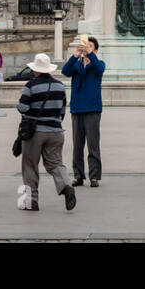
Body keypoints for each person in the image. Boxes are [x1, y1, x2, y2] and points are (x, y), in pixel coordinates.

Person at [16, 53, 76, 212]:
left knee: (30, 165)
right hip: (56, 131)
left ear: (35, 70)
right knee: (55, 164)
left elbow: (22, 107)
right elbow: (62, 110)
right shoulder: (60, 86)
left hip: (35, 132)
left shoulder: (30, 85)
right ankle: (66, 186)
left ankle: (31, 201)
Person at [61, 35, 105, 188]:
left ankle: (94, 176)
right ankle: (78, 175)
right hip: (77, 108)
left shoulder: (98, 64)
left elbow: (100, 68)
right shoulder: (76, 65)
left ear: (96, 50)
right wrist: (74, 56)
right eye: (86, 46)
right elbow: (65, 71)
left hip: (92, 108)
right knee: (77, 145)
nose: (87, 49)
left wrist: (90, 54)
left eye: (91, 47)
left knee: (93, 145)